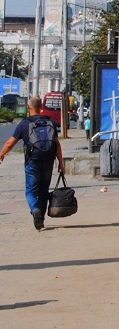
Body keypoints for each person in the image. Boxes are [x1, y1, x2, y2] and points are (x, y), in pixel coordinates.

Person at [0, 95, 68, 231]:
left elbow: (9, 143)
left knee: (30, 190)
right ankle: (40, 220)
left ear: (28, 108)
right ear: (41, 107)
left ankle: (35, 209)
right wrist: (61, 164)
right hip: (49, 160)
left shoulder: (25, 124)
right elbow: (57, 145)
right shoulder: (49, 122)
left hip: (33, 161)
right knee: (43, 190)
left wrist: (1, 154)